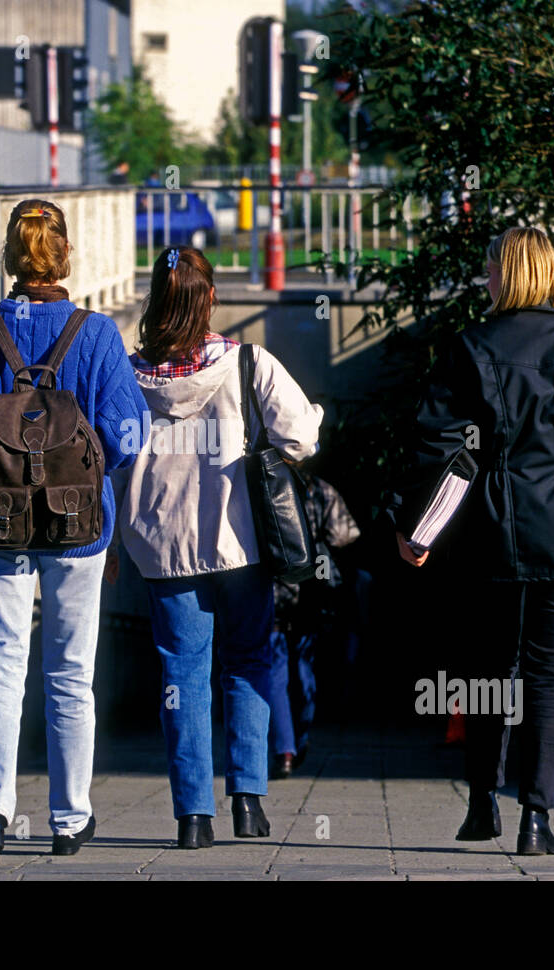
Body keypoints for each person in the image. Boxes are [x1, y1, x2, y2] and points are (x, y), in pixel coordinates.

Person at [388, 226, 554, 855]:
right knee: (547, 677)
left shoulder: (469, 347)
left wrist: (414, 525)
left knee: (488, 672)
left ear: (505, 275)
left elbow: (436, 446)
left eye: (489, 269)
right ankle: (536, 820)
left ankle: (481, 802)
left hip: (488, 539)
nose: (484, 280)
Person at [0, 199, 146, 865]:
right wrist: (86, 460)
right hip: (79, 526)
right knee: (72, 672)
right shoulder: (98, 334)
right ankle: (69, 820)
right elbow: (130, 436)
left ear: (11, 260)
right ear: (64, 255)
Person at [114, 245, 323, 849]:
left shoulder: (130, 375)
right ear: (209, 298)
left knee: (182, 674)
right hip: (241, 547)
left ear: (158, 298)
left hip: (163, 548)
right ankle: (250, 802)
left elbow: (115, 462)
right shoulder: (247, 363)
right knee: (249, 662)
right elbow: (300, 439)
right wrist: (314, 413)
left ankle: (192, 818)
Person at [267, 468, 360, 779]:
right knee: (304, 671)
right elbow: (344, 534)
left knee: (276, 673)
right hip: (311, 590)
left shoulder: (265, 482)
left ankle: (286, 750)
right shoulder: (321, 489)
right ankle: (299, 738)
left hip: (275, 588)